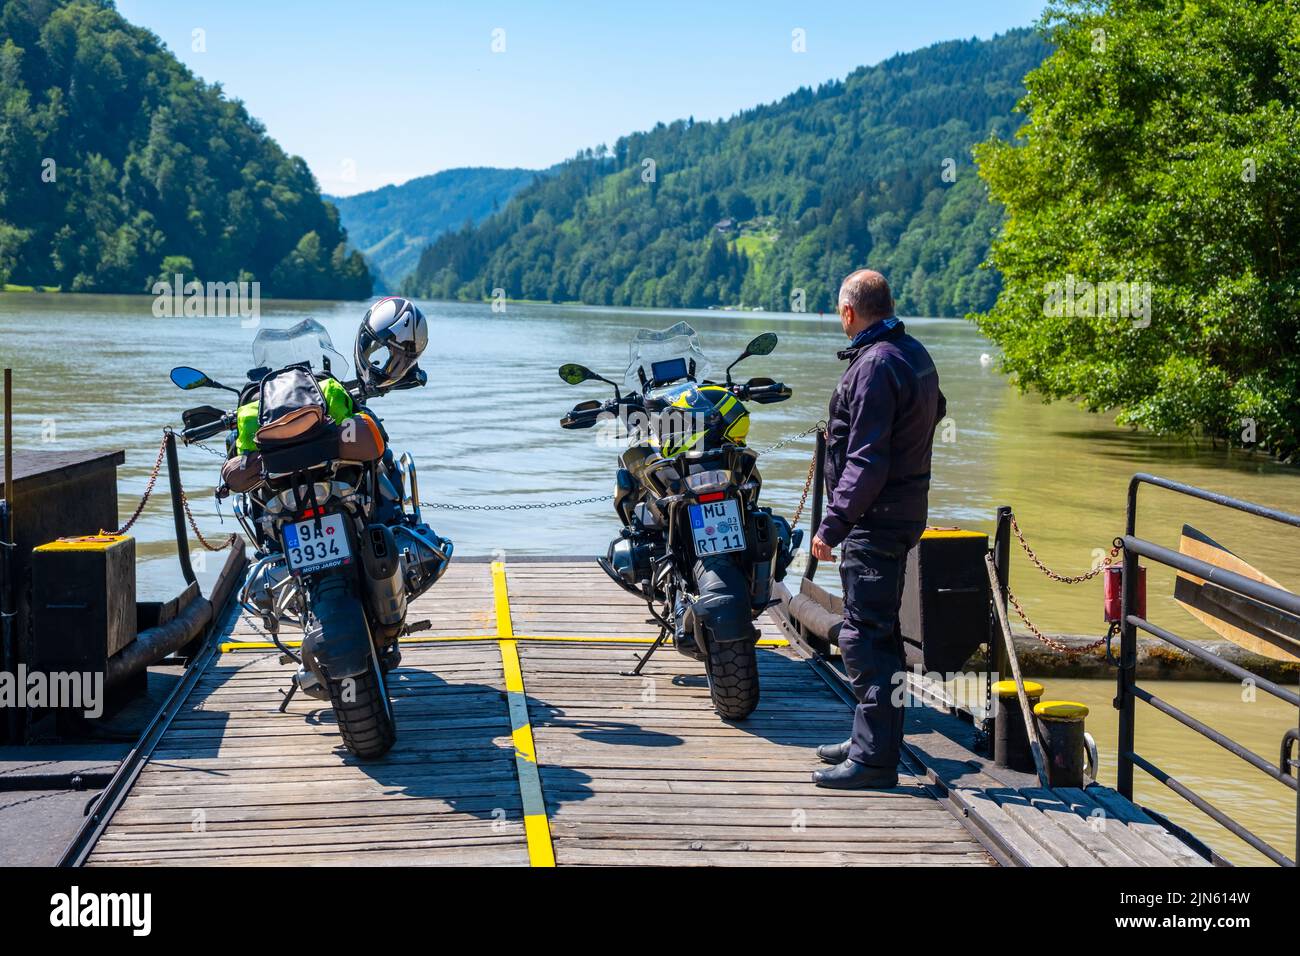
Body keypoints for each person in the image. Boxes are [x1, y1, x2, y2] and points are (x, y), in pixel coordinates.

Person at [809, 270, 945, 789]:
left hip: (874, 518)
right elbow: (936, 412)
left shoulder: (875, 366)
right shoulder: (913, 353)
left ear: (849, 313)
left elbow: (866, 459)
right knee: (882, 631)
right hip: (905, 511)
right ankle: (871, 738)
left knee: (862, 639)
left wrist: (834, 524)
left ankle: (873, 763)